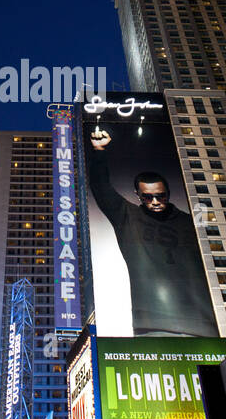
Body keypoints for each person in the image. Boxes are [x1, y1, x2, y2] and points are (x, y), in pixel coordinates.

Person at [87, 127, 218, 336]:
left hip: (204, 325)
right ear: (138, 195)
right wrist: (99, 151)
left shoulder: (190, 223)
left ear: (168, 193)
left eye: (161, 196)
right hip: (152, 324)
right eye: (148, 197)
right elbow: (101, 187)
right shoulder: (127, 216)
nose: (155, 202)